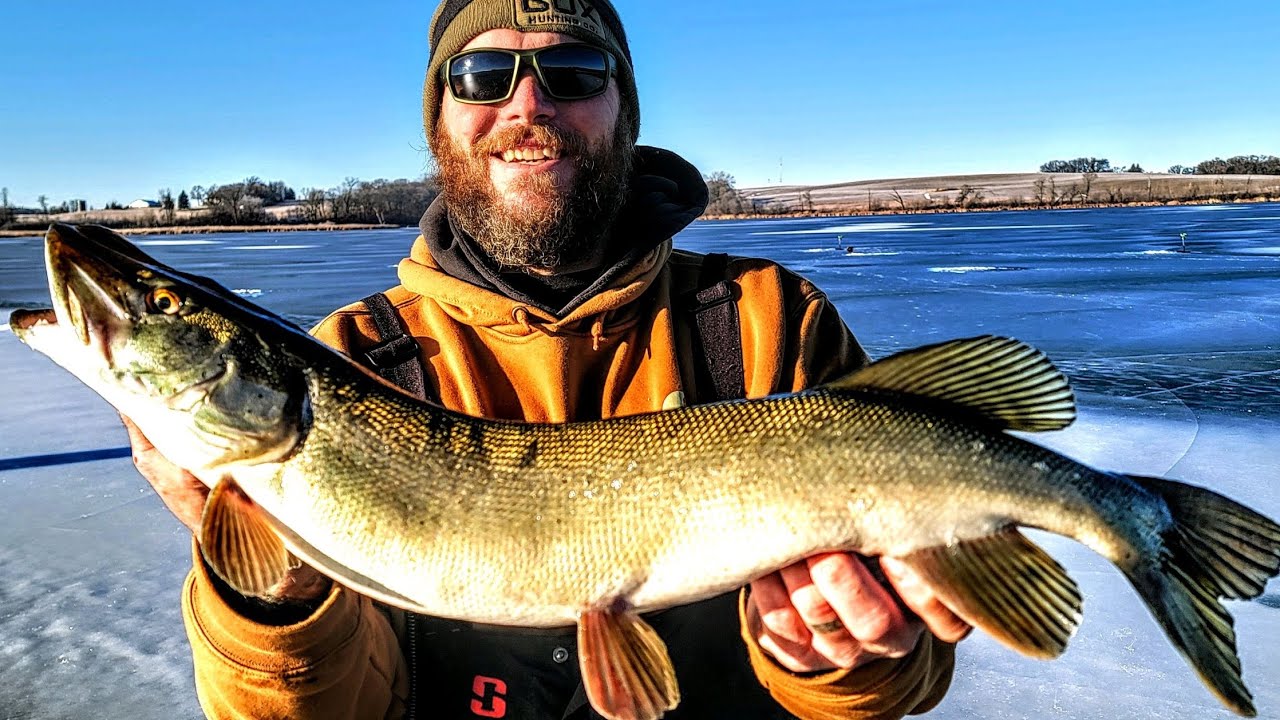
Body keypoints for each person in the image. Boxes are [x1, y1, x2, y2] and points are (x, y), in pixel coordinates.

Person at [123, 1, 971, 717]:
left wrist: (845, 659)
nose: (529, 104)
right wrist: (277, 598)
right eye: (482, 76)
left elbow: (907, 665)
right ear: (441, 119)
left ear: (623, 111)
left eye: (574, 72)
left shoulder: (764, 322)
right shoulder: (353, 359)